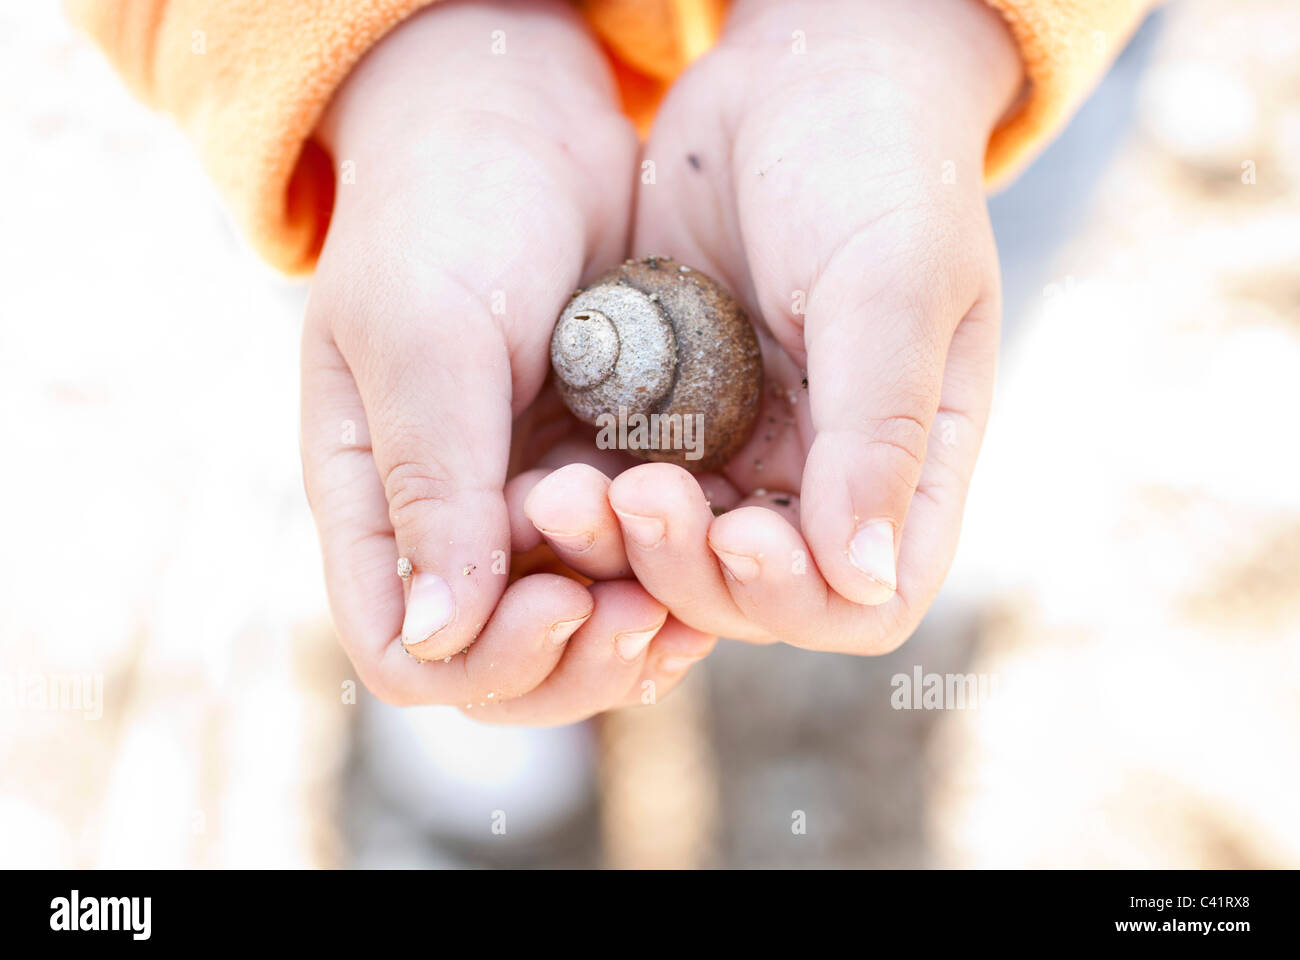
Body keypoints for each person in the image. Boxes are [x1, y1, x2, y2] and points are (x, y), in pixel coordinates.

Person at [68, 0, 1150, 723]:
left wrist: (916, 34)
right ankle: (494, 592)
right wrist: (390, 67)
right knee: (421, 375)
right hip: (382, 126)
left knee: (922, 295)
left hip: (936, 86)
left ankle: (895, 499)